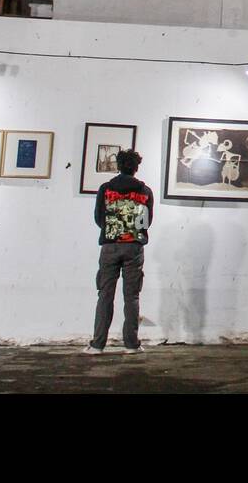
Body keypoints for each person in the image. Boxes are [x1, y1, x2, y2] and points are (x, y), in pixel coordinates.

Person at [86, 148, 153, 354]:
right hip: (134, 246)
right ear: (136, 167)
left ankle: (97, 345)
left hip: (110, 245)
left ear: (118, 166)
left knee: (105, 295)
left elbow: (99, 217)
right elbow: (146, 221)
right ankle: (132, 344)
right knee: (131, 297)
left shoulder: (106, 189)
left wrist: (113, 231)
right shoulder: (144, 191)